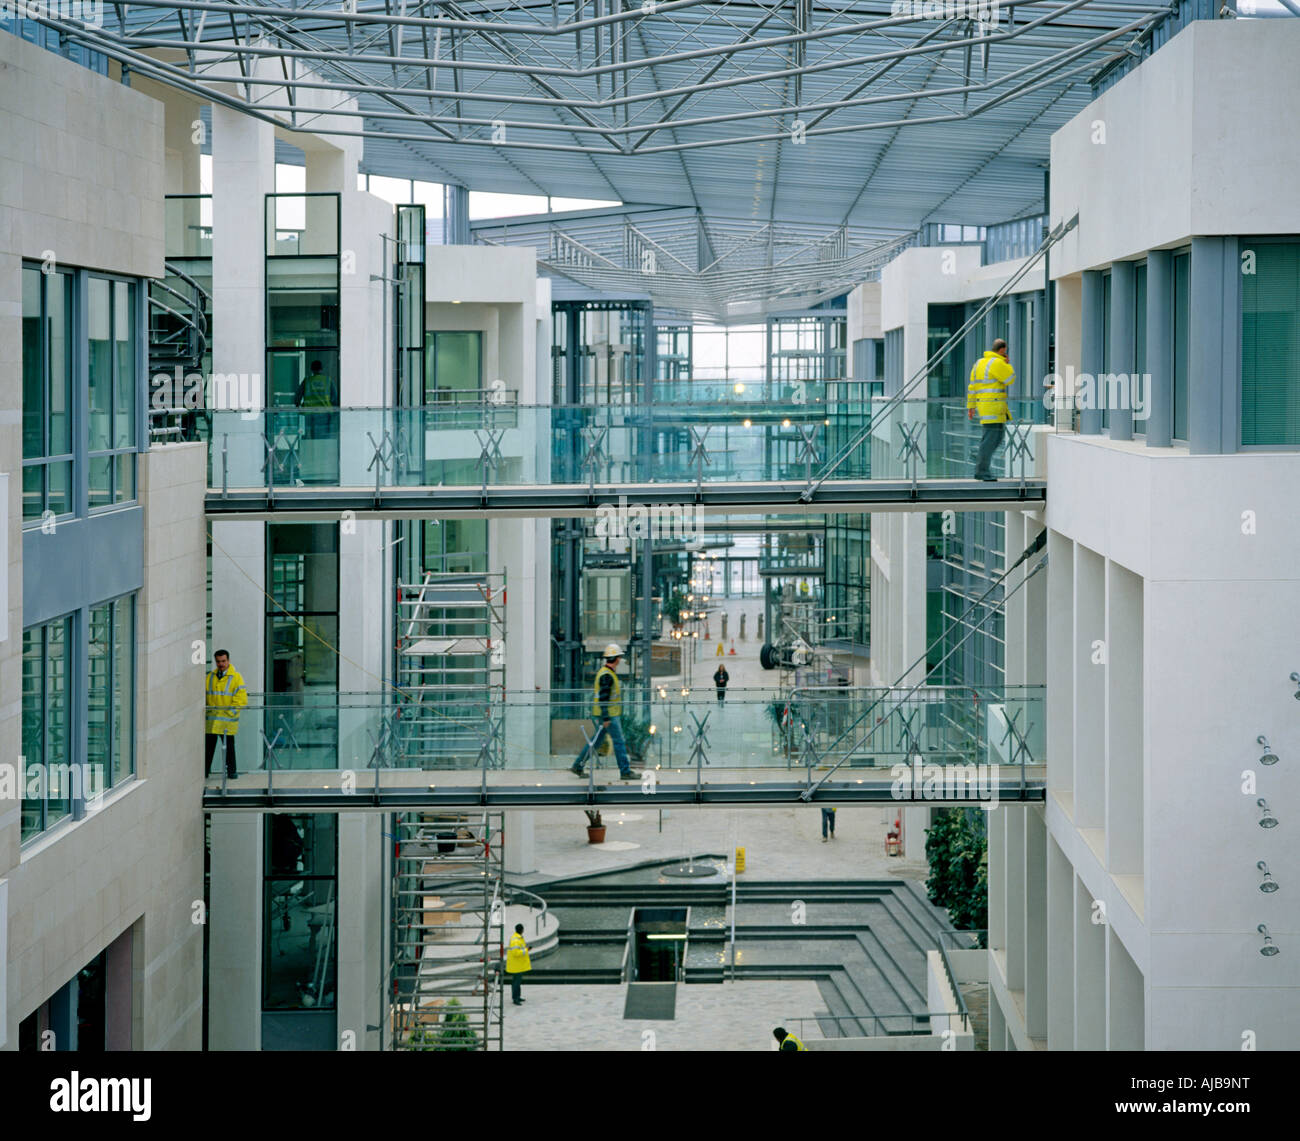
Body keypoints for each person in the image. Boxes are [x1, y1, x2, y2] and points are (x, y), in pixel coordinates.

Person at [571, 644, 639, 780]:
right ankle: (625, 771)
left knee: (596, 742)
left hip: (603, 715)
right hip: (609, 716)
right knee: (619, 741)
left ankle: (578, 765)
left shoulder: (605, 673)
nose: (620, 659)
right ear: (616, 659)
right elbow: (603, 698)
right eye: (619, 657)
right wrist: (606, 718)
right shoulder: (607, 676)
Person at [967, 337, 1015, 481]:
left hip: (985, 407)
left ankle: (981, 467)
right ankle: (982, 471)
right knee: (990, 440)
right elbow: (1010, 379)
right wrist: (1007, 364)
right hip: (994, 407)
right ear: (1002, 350)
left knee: (994, 438)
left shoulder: (979, 363)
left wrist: (971, 406)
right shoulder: (997, 363)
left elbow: (972, 387)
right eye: (1005, 352)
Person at [205, 649, 247, 778]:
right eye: (218, 661)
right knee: (208, 748)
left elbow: (241, 699)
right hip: (212, 720)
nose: (221, 664)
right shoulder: (210, 677)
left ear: (228, 661)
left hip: (227, 720)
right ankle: (205, 771)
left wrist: (231, 713)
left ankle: (232, 772)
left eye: (223, 661)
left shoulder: (236, 677)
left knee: (229, 748)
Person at [506, 922, 531, 1006]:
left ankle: (517, 996)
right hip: (516, 965)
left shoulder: (517, 938)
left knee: (517, 981)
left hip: (518, 965)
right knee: (516, 982)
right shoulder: (516, 940)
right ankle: (515, 998)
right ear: (522, 930)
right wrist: (526, 950)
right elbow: (516, 953)